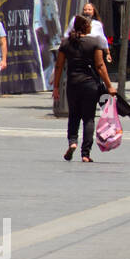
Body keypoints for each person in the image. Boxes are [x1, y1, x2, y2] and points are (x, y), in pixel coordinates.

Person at [51, 14, 114, 162]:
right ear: (86, 26)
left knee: (73, 115)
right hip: (90, 84)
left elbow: (59, 66)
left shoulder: (66, 43)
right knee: (88, 119)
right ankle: (85, 154)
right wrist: (109, 85)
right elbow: (100, 66)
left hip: (72, 83)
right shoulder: (95, 42)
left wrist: (56, 87)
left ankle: (72, 143)